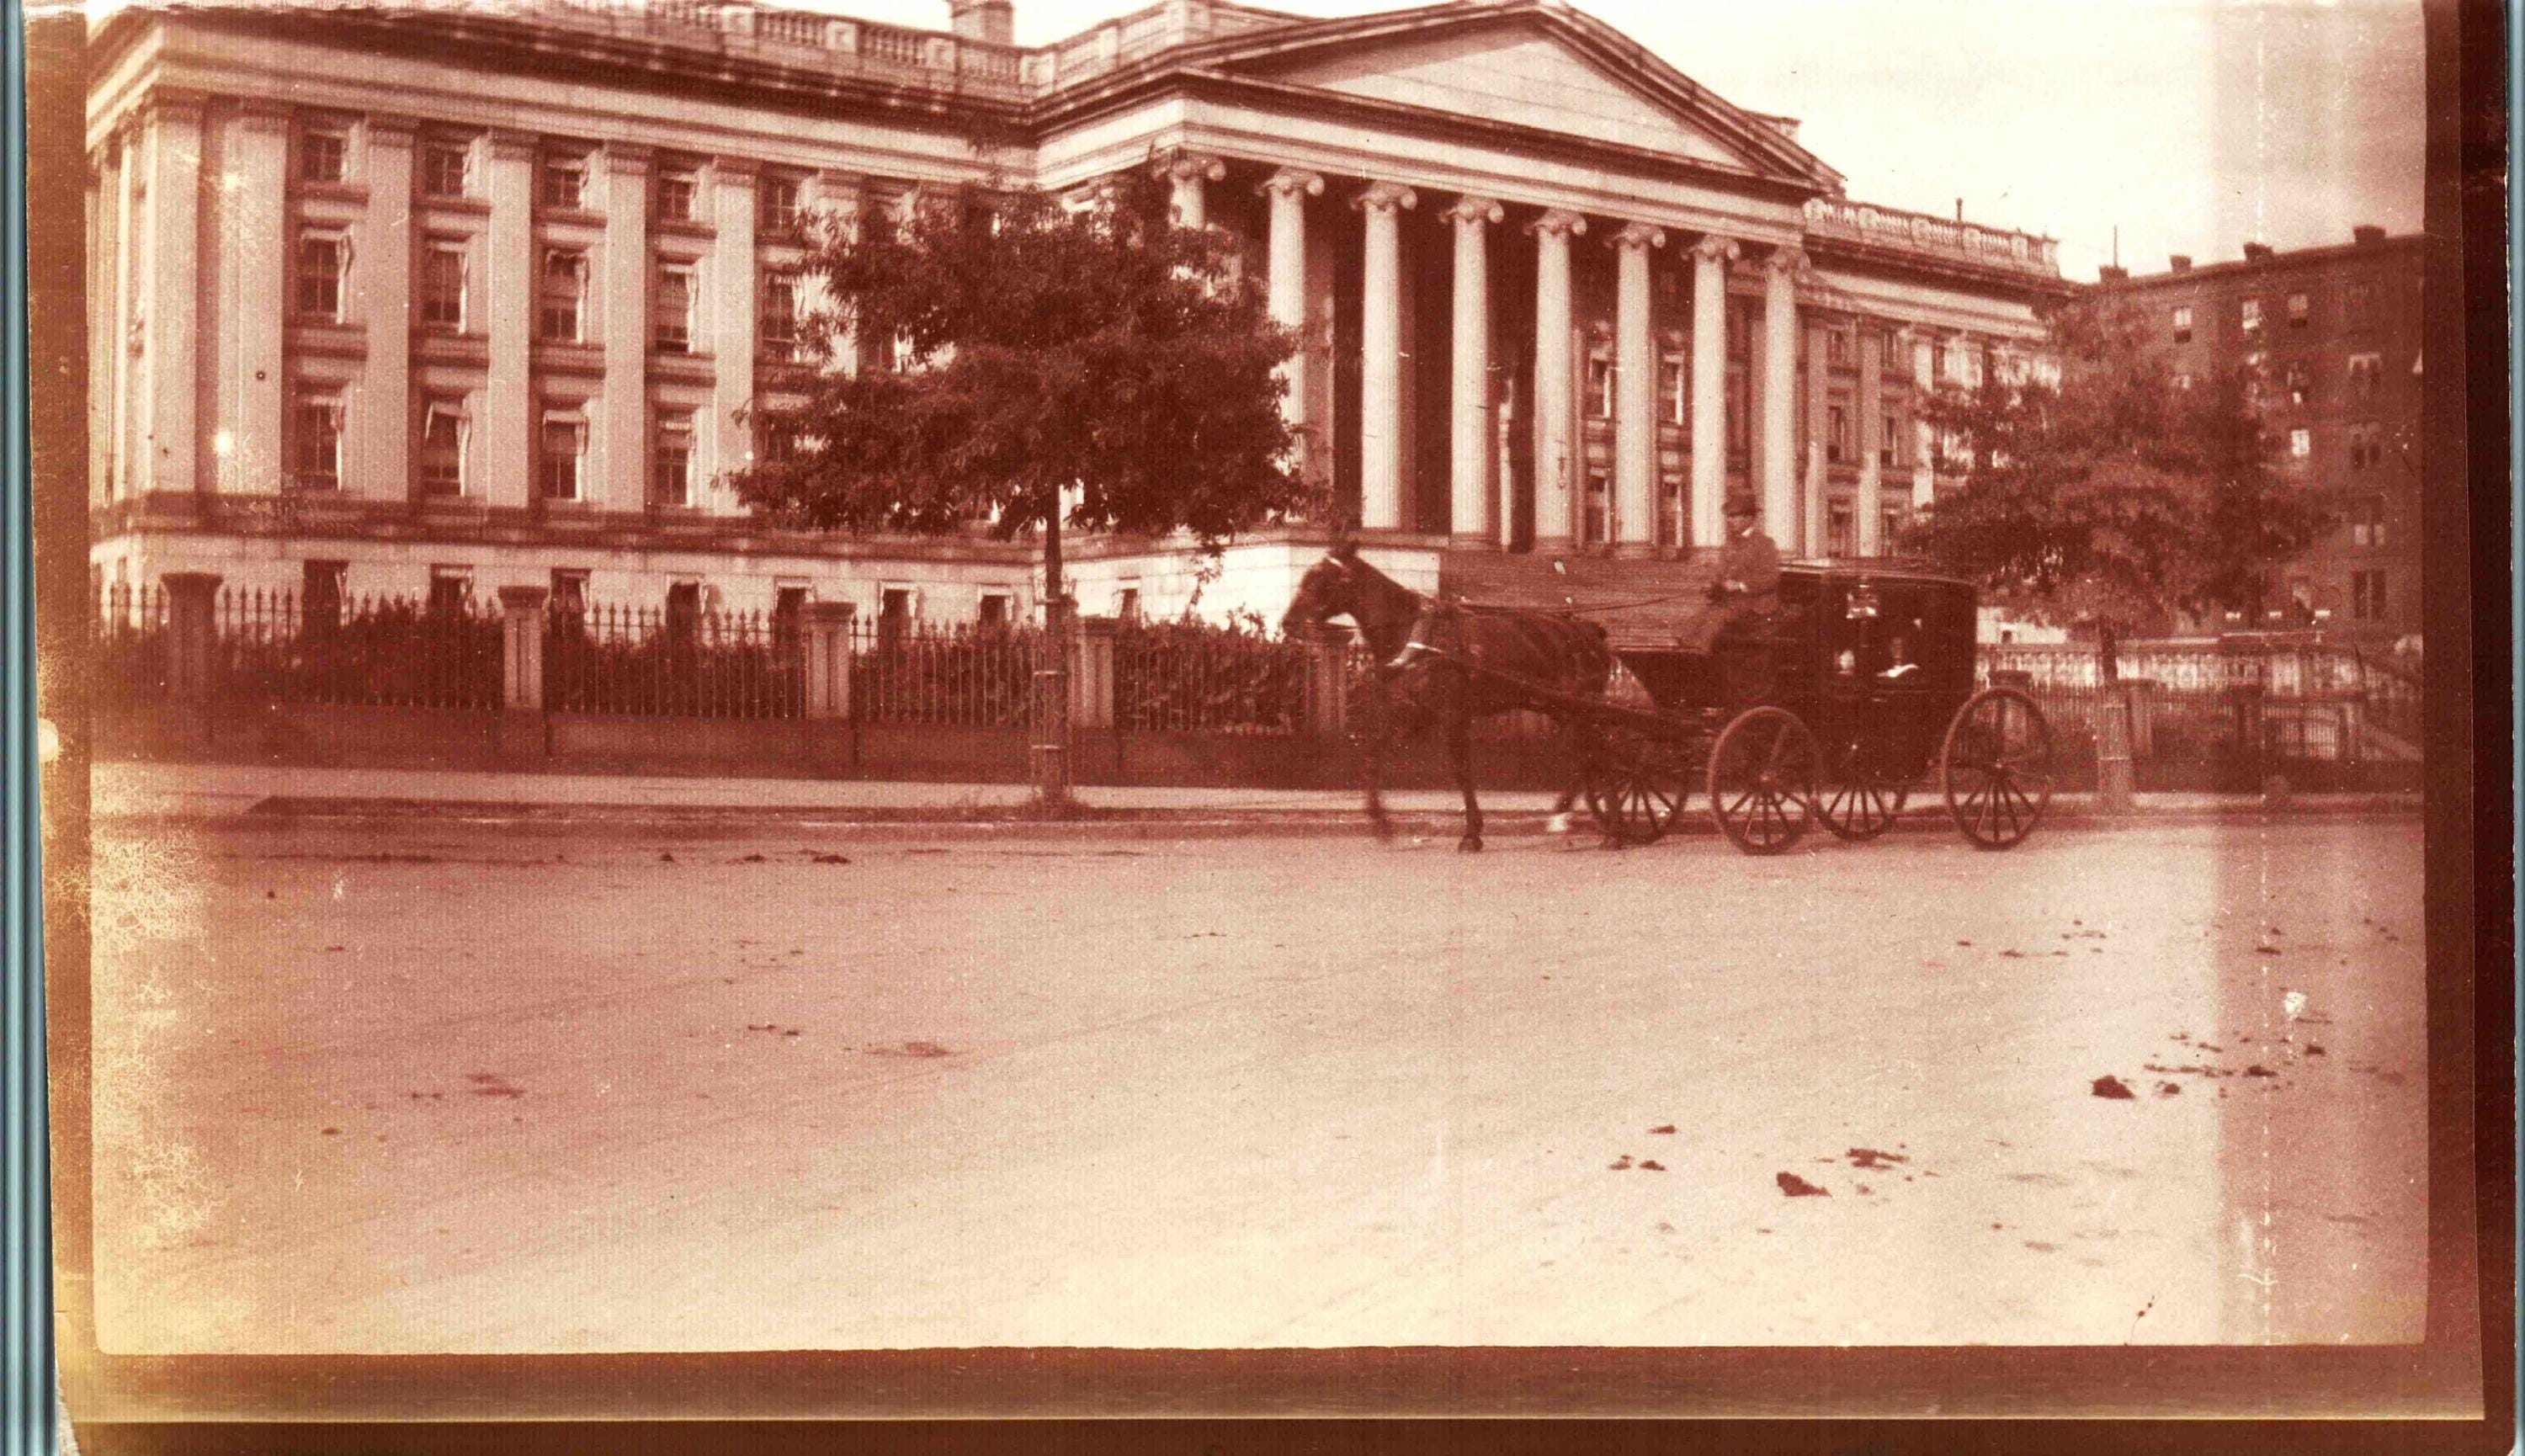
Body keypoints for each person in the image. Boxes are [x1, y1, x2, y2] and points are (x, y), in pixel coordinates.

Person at [1678, 501, 1779, 655]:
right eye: (1728, 516)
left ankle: (1700, 660)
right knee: (1689, 627)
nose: (1729, 521)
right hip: (1730, 602)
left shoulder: (1765, 543)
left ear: (1749, 519)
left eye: (1734, 516)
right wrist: (1712, 584)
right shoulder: (1730, 543)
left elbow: (1771, 578)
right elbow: (1721, 573)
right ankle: (1689, 659)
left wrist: (1740, 585)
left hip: (1756, 603)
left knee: (1712, 625)